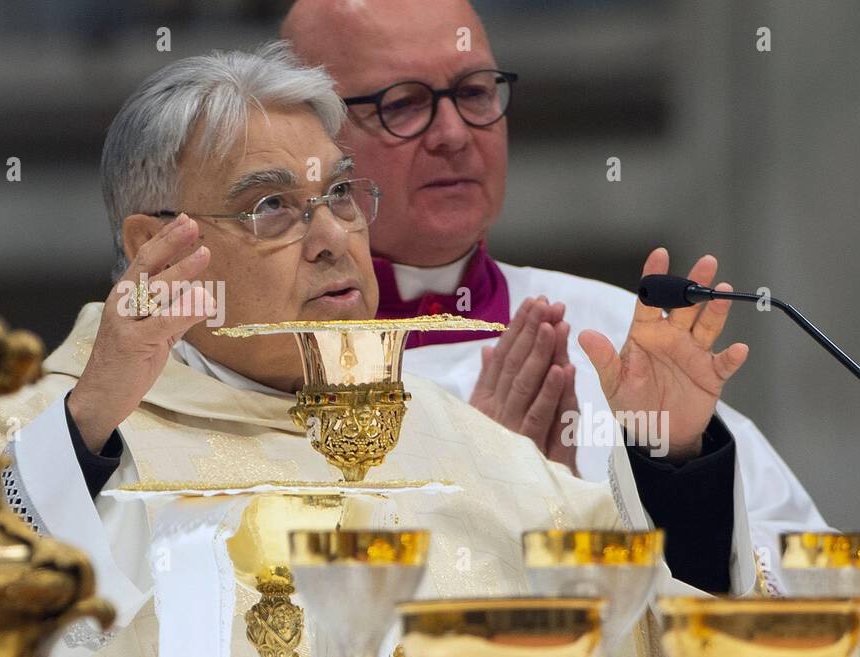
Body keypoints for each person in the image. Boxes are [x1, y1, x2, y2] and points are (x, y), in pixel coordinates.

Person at [0, 43, 753, 657]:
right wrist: (91, 424)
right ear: (155, 247)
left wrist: (673, 462)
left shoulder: (465, 448)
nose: (330, 239)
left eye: (341, 194)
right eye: (272, 207)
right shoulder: (54, 438)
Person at [280, 0, 828, 591]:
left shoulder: (614, 332)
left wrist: (677, 468)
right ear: (306, 135)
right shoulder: (257, 364)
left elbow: (809, 587)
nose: (453, 134)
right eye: (403, 103)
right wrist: (486, 498)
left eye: (475, 92)